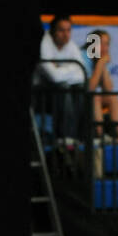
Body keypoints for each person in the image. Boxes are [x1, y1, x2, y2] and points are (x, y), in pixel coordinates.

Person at [35, 15, 87, 143]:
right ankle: (65, 137)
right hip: (40, 94)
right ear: (53, 31)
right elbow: (54, 77)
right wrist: (70, 68)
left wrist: (59, 68)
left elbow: (82, 74)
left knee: (80, 88)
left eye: (69, 30)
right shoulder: (43, 44)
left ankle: (81, 137)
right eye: (61, 30)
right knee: (63, 87)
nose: (66, 35)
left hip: (59, 88)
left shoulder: (71, 45)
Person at [83, 28, 118, 141]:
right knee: (95, 97)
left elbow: (108, 89)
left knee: (113, 98)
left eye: (107, 44)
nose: (105, 48)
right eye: (101, 44)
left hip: (90, 98)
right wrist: (101, 63)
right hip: (78, 96)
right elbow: (90, 88)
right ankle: (99, 136)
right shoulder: (84, 56)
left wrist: (102, 64)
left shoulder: (99, 59)